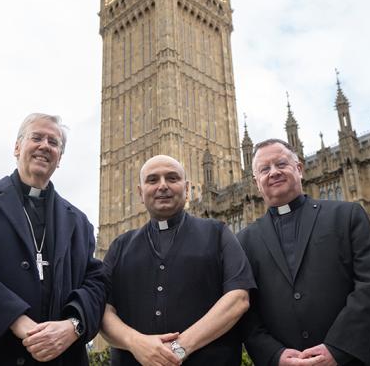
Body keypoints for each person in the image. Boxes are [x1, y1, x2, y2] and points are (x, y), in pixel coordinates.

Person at [0, 113, 106, 366]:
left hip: (56, 358)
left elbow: (96, 282)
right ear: (17, 147)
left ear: (59, 159)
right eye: (37, 137)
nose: (45, 145)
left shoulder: (79, 222)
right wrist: (15, 319)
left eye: (54, 142)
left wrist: (73, 325)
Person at [237, 139, 370, 366]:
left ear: (299, 169)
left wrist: (338, 348)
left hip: (357, 359)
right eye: (265, 169)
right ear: (256, 183)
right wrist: (275, 355)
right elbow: (247, 312)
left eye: (281, 164)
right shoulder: (244, 241)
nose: (274, 173)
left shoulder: (345, 215)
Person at [101, 155, 255, 366]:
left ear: (187, 188)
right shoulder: (120, 246)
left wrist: (180, 347)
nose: (162, 186)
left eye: (172, 178)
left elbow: (238, 298)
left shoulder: (217, 233)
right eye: (152, 180)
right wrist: (136, 343)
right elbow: (102, 311)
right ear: (140, 193)